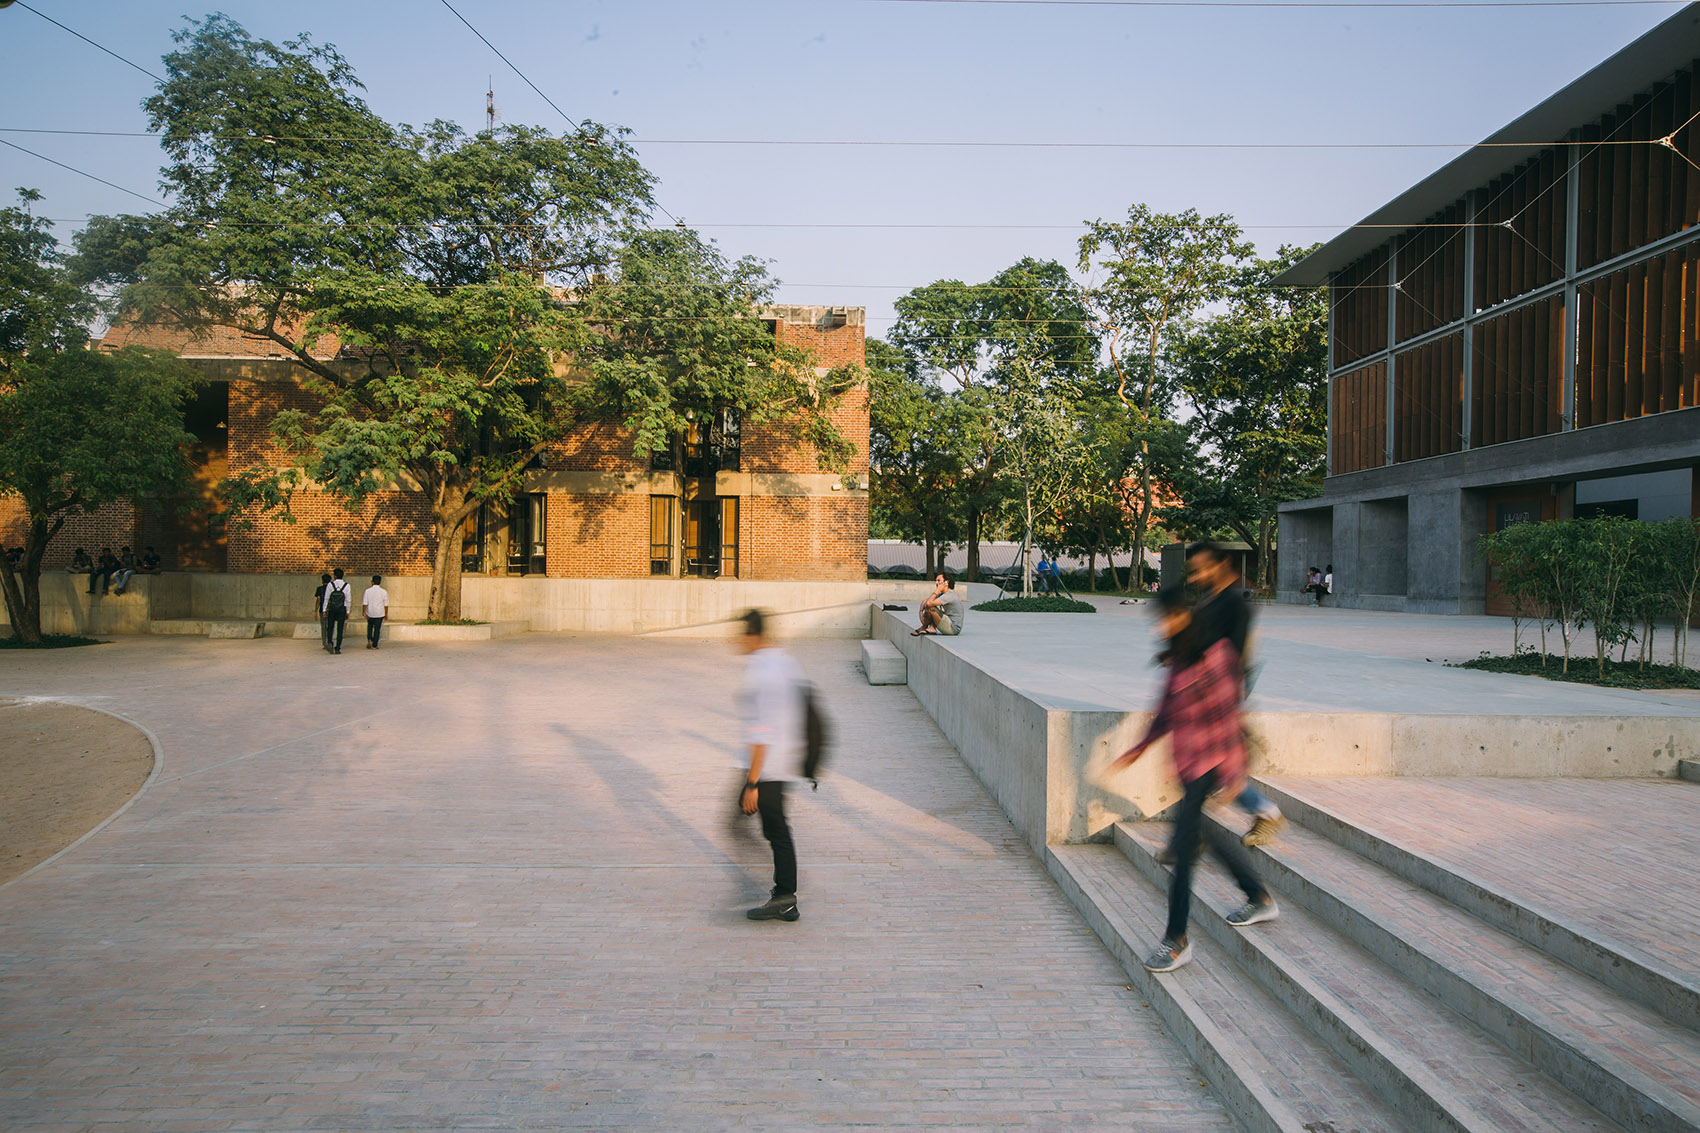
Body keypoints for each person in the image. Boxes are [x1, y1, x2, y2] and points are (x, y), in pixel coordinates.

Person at [1109, 585, 1277, 973]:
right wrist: (1138, 749)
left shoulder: (1214, 657)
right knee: (1203, 834)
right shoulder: (1178, 659)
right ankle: (1258, 894)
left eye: (1167, 618)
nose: (1161, 627)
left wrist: (1235, 773)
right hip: (1188, 767)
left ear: (1184, 616)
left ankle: (1177, 939)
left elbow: (1230, 718)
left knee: (1184, 853)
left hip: (1211, 764)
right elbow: (1165, 711)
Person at [1186, 541, 1286, 848]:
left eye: (1203, 569)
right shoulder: (1209, 600)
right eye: (1193, 571)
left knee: (1219, 766)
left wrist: (1228, 706)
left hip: (1221, 695)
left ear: (1223, 563)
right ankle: (1191, 832)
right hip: (1204, 694)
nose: (1196, 576)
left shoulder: (1235, 604)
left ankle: (1266, 812)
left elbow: (1236, 657)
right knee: (1206, 767)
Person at [736, 608, 807, 922]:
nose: (736, 641)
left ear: (753, 635)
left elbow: (761, 729)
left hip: (768, 766)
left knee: (771, 830)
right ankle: (783, 894)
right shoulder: (784, 661)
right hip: (784, 760)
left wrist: (752, 782)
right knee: (774, 829)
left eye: (740, 634)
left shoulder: (761, 670)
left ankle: (785, 896)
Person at [916, 572, 964, 636]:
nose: (936, 583)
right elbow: (925, 602)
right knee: (930, 605)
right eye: (936, 580)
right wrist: (921, 611)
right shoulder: (943, 594)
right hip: (947, 622)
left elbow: (928, 604)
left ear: (946, 582)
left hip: (953, 628)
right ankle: (931, 627)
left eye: (938, 580)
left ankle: (925, 627)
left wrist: (937, 590)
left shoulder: (949, 595)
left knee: (930, 607)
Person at [320, 568, 353, 654]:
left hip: (332, 609)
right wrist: (348, 611)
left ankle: (330, 642)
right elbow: (348, 599)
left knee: (330, 627)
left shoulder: (330, 585)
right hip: (341, 609)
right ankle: (338, 647)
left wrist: (324, 610)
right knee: (340, 629)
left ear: (335, 576)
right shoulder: (347, 585)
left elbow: (326, 598)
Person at [362, 574, 389, 649]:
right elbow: (386, 604)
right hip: (379, 613)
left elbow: (365, 603)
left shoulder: (367, 591)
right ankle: (374, 645)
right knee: (377, 629)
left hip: (370, 612)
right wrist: (386, 614)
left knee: (370, 627)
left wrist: (364, 612)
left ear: (372, 582)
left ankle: (369, 639)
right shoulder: (384, 592)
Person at [313, 573, 333, 649]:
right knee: (330, 626)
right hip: (330, 610)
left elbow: (318, 600)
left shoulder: (319, 589)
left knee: (323, 627)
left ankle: (325, 643)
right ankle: (329, 641)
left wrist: (315, 611)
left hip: (322, 610)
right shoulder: (332, 588)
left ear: (322, 580)